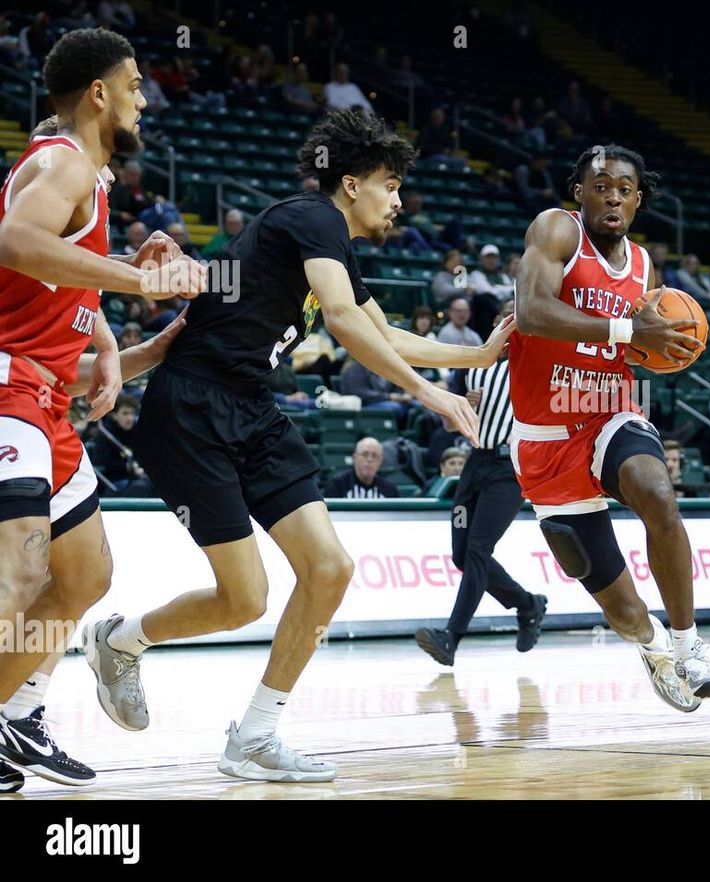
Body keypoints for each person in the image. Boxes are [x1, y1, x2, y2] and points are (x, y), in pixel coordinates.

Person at [80, 109, 510, 783]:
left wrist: (477, 354)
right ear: (351, 184)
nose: (399, 201)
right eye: (391, 185)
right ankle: (120, 639)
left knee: (330, 568)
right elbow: (341, 321)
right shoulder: (311, 217)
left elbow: (385, 335)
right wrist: (427, 394)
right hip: (191, 406)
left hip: (253, 408)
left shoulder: (335, 249)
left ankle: (254, 737)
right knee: (244, 600)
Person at [0, 30, 204, 788]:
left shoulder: (86, 180)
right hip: (9, 390)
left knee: (85, 576)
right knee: (21, 573)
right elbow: (16, 242)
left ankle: (17, 717)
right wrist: (137, 280)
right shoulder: (64, 163)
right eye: (136, 85)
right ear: (98, 93)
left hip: (47, 400)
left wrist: (134, 346)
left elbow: (56, 297)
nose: (145, 100)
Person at [510, 143, 710, 712]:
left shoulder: (642, 266)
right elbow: (532, 312)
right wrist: (626, 332)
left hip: (609, 412)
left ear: (637, 202)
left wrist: (659, 348)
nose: (612, 197)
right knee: (625, 612)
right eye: (601, 186)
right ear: (579, 193)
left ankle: (689, 646)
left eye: (625, 190)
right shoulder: (556, 230)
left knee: (656, 490)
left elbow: (638, 345)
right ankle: (655, 648)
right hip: (545, 439)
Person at [415, 302, 547, 664]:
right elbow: (448, 423)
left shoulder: (536, 366)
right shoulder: (471, 365)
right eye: (507, 316)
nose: (513, 322)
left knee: (477, 549)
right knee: (462, 554)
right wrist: (460, 406)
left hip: (508, 471)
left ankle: (451, 638)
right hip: (474, 465)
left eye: (521, 318)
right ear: (495, 322)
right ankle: (527, 604)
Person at [323, 437, 400, 499]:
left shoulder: (390, 489)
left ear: (380, 460)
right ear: (355, 457)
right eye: (365, 454)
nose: (370, 459)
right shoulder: (337, 485)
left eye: (375, 455)